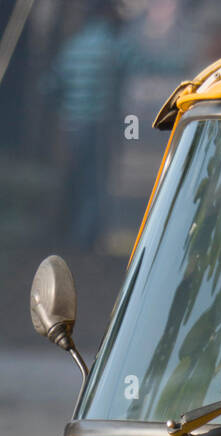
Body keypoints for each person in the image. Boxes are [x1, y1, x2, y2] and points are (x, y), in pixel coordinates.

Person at [50, 1, 134, 251]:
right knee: (95, 183)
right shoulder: (115, 46)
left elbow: (52, 84)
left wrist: (66, 109)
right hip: (101, 126)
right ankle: (86, 240)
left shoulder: (73, 47)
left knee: (76, 177)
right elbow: (147, 63)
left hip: (73, 125)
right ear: (107, 14)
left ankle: (71, 236)